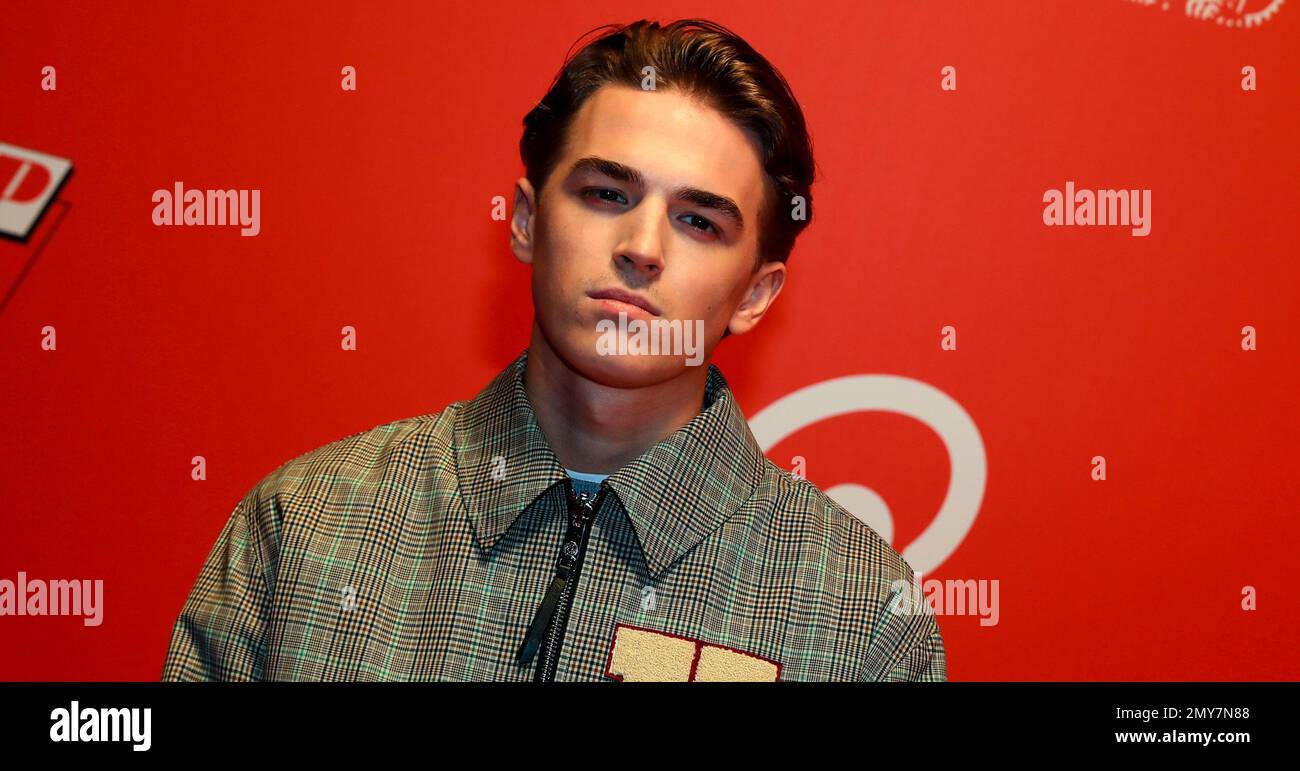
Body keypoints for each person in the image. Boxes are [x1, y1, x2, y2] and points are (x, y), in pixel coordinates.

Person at [162, 18, 946, 682]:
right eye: (608, 194)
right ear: (527, 220)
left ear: (755, 293)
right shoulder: (306, 527)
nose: (641, 248)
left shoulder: (858, 616)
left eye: (699, 221)